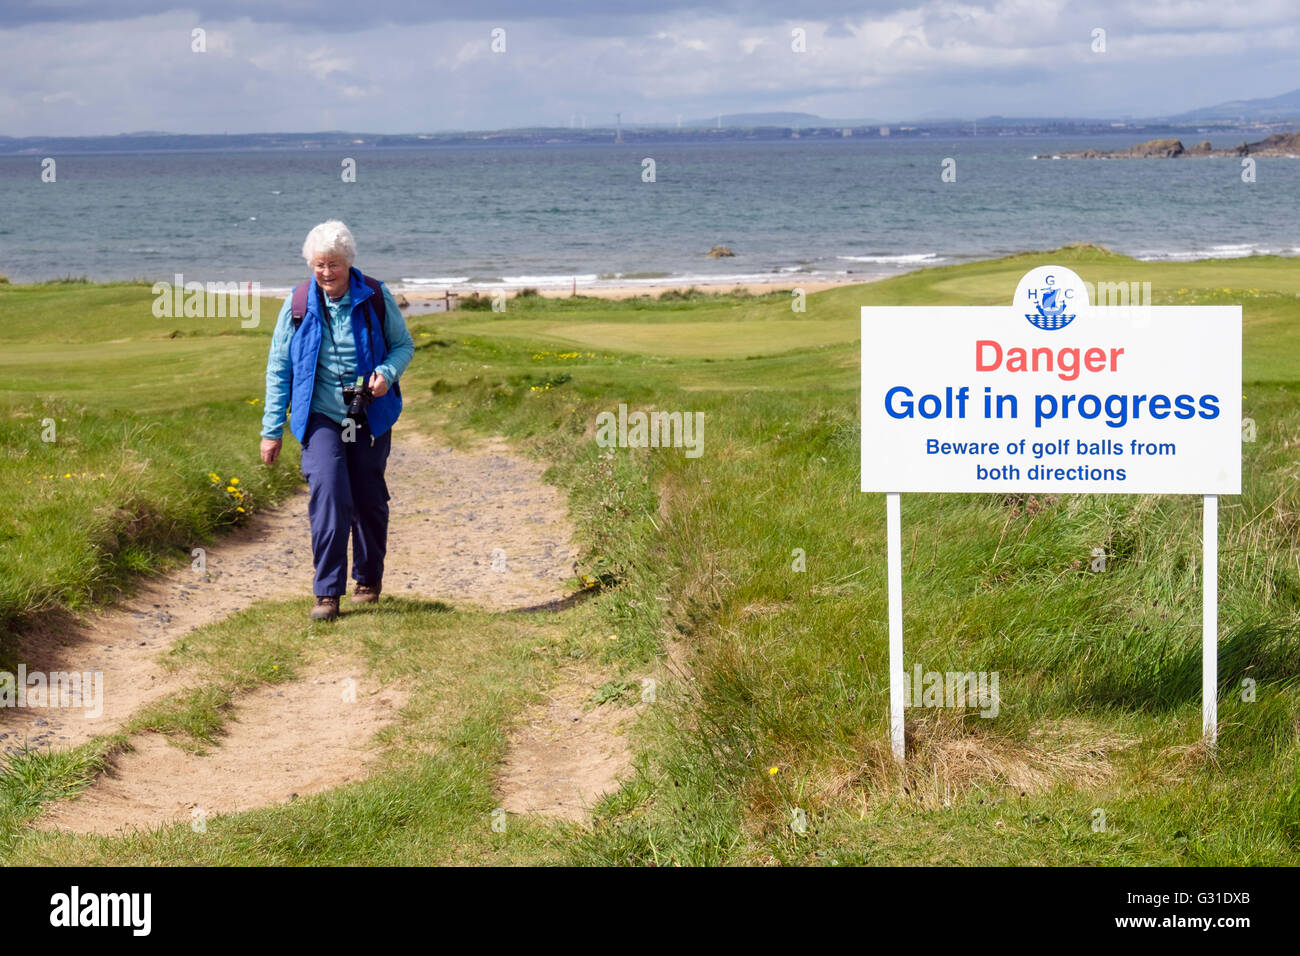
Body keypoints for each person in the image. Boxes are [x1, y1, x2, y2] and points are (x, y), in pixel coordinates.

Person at [259, 220, 415, 621]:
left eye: (333, 264)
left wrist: (387, 374)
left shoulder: (376, 296)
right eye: (318, 265)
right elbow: (279, 368)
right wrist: (271, 430)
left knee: (369, 499)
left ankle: (368, 580)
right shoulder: (297, 304)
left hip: (369, 415)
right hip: (321, 417)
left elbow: (402, 346)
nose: (326, 272)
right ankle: (327, 593)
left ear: (349, 262)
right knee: (328, 494)